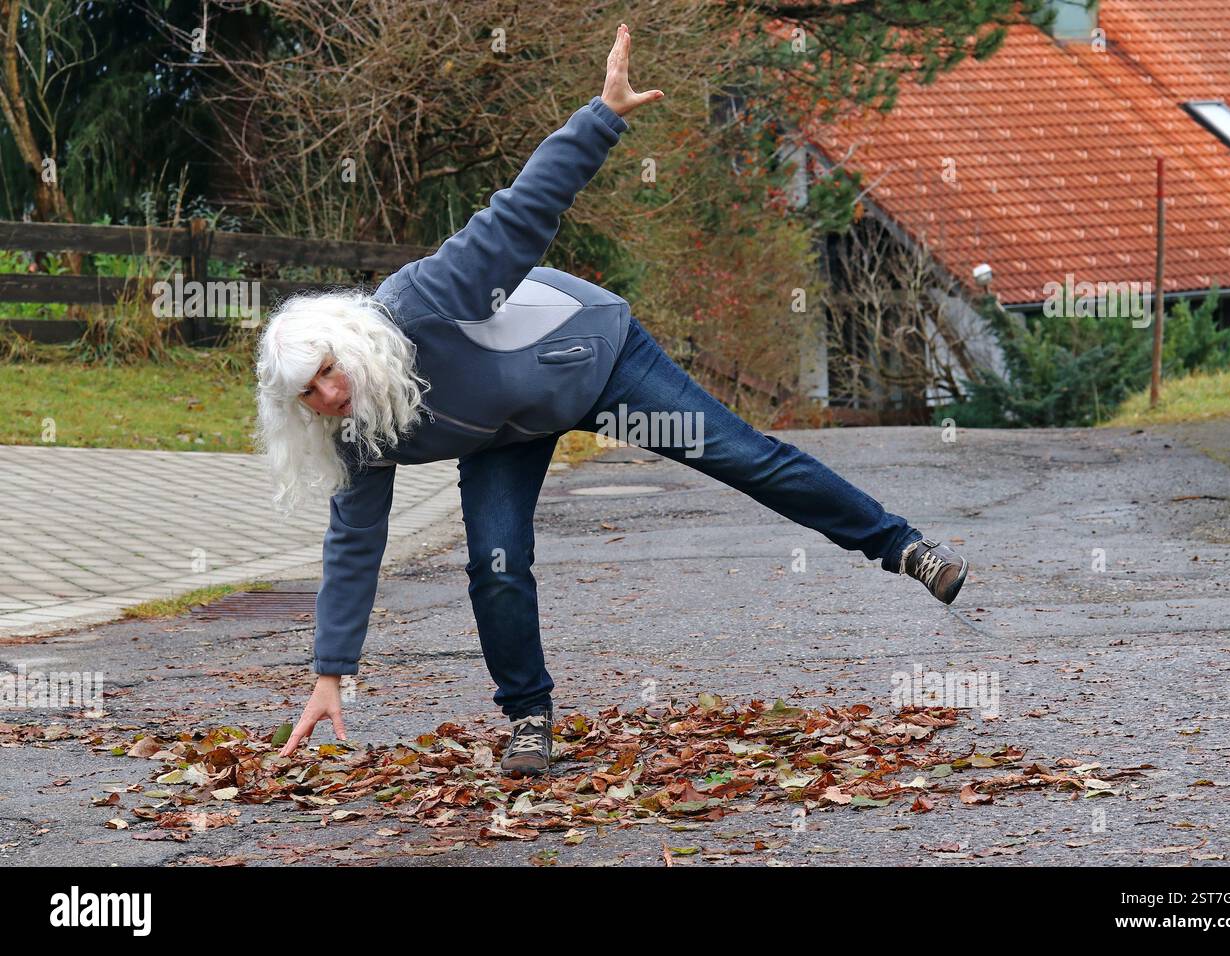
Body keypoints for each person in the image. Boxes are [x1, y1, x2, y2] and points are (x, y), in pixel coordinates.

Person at [256, 23, 969, 777]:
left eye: (329, 370)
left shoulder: (420, 304)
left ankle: (903, 547)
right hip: (507, 435)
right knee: (495, 562)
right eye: (310, 393)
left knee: (742, 456)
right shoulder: (357, 433)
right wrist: (331, 673)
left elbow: (519, 213)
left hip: (592, 361)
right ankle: (528, 718)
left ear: (350, 342)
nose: (330, 394)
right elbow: (354, 543)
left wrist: (602, 115)